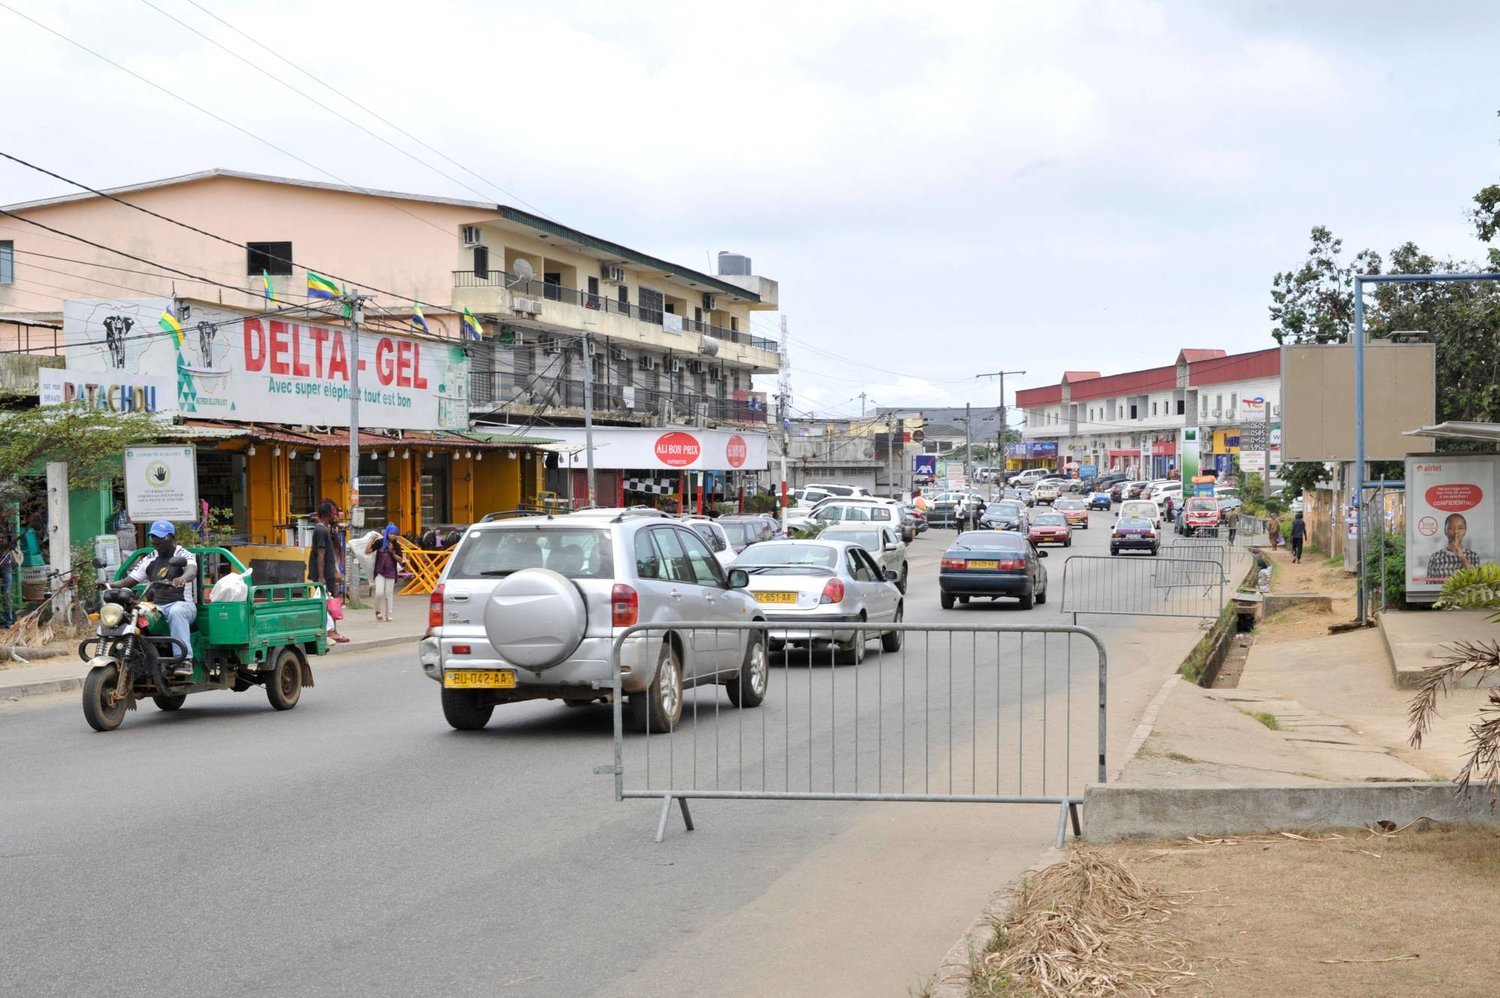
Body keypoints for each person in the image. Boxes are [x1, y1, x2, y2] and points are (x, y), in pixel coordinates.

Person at [112, 521, 197, 678]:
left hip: (183, 605)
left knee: (176, 612)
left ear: (172, 538)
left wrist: (182, 578)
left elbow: (191, 571)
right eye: (153, 537)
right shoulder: (151, 558)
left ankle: (184, 660)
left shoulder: (183, 554)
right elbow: (129, 580)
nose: (156, 541)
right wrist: (109, 585)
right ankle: (132, 655)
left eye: (161, 537)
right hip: (156, 608)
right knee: (131, 613)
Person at [307, 499, 349, 643]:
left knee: (333, 601)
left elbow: (336, 548)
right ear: (328, 514)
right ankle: (329, 631)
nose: (336, 516)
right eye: (334, 513)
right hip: (323, 573)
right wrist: (321, 576)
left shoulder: (326, 530)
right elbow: (321, 554)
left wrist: (334, 529)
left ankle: (333, 630)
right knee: (327, 602)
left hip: (329, 572)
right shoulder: (320, 530)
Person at [1427, 512, 1482, 581]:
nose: (1456, 531)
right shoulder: (1435, 557)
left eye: (1460, 528)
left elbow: (1477, 582)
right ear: (1445, 531)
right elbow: (1429, 584)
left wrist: (1462, 558)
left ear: (1465, 531)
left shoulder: (1473, 556)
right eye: (1450, 528)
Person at [372, 524, 402, 622]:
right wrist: (371, 540)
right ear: (387, 533)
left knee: (388, 594)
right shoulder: (380, 542)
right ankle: (377, 611)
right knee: (379, 592)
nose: (393, 535)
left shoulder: (396, 545)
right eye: (391, 533)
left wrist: (392, 552)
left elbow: (400, 560)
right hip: (379, 571)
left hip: (391, 572)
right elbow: (368, 551)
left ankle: (389, 614)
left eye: (395, 534)